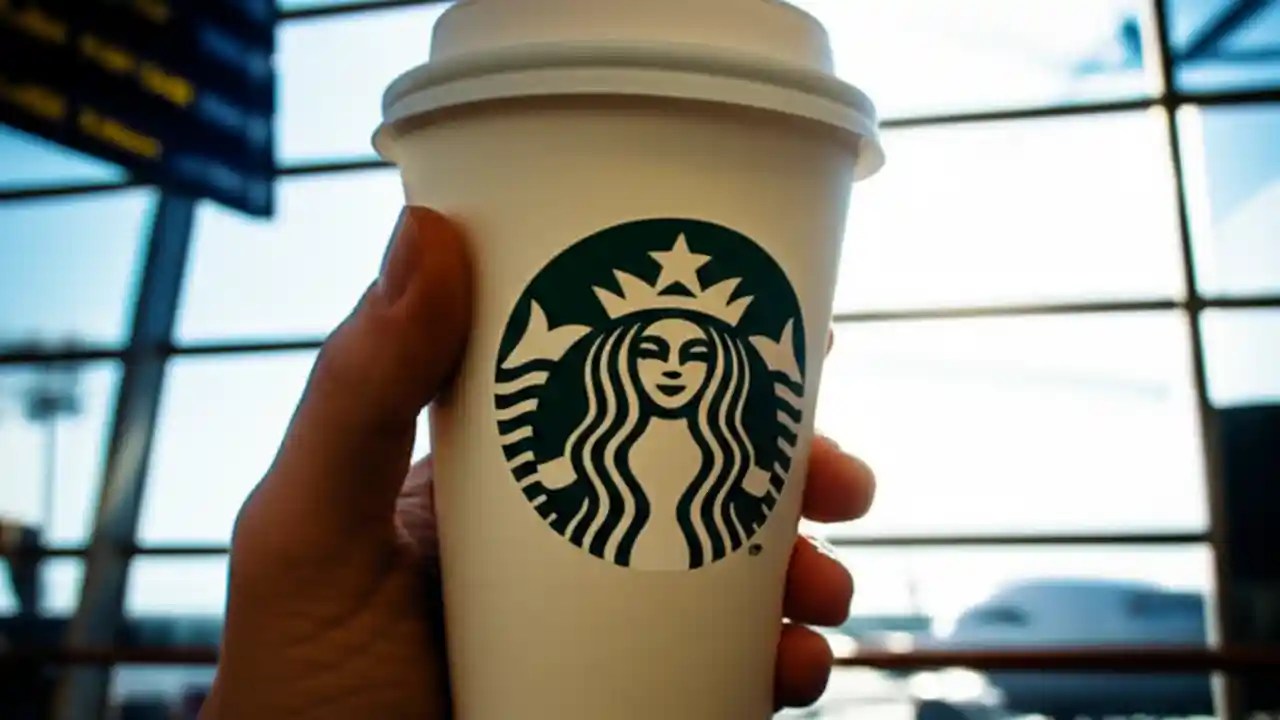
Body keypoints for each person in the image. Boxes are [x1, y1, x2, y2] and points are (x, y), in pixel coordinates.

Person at [198, 207, 877, 719]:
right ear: (614, 361)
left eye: (694, 354)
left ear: (724, 366)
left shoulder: (727, 469)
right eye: (651, 352)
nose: (673, 370)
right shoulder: (591, 463)